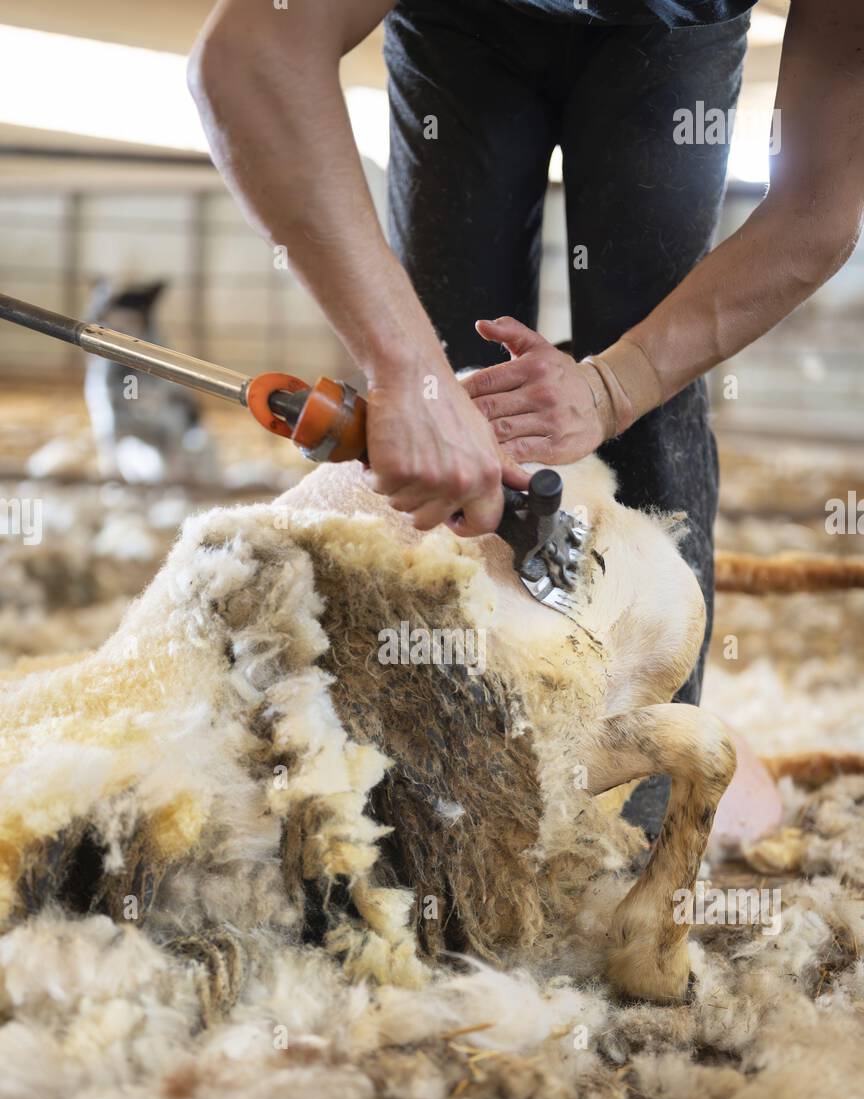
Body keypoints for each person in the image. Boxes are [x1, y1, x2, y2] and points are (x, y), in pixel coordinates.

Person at [189, 0, 863, 831]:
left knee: (650, 388)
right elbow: (251, 60)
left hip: (672, 29)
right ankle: (429, 788)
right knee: (451, 372)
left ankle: (634, 804)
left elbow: (819, 212)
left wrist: (619, 383)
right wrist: (409, 371)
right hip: (461, 21)